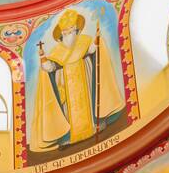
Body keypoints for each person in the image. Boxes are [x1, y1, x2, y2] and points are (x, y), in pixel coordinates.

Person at [31, 8, 124, 151]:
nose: (69, 35)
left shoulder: (84, 41)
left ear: (77, 30)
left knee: (89, 99)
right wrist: (43, 58)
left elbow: (92, 50)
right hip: (67, 86)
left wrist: (96, 41)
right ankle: (68, 137)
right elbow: (50, 68)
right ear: (61, 35)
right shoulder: (57, 52)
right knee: (68, 109)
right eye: (66, 32)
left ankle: (95, 125)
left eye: (71, 31)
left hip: (85, 78)